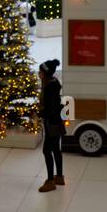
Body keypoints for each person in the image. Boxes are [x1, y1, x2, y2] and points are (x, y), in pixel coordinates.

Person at [38, 59, 66, 193]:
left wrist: (40, 113)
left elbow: (50, 107)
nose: (39, 74)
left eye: (41, 71)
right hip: (57, 121)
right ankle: (59, 176)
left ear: (46, 73)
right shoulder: (53, 82)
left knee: (46, 150)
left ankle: (50, 181)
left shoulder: (49, 86)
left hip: (51, 122)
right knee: (55, 148)